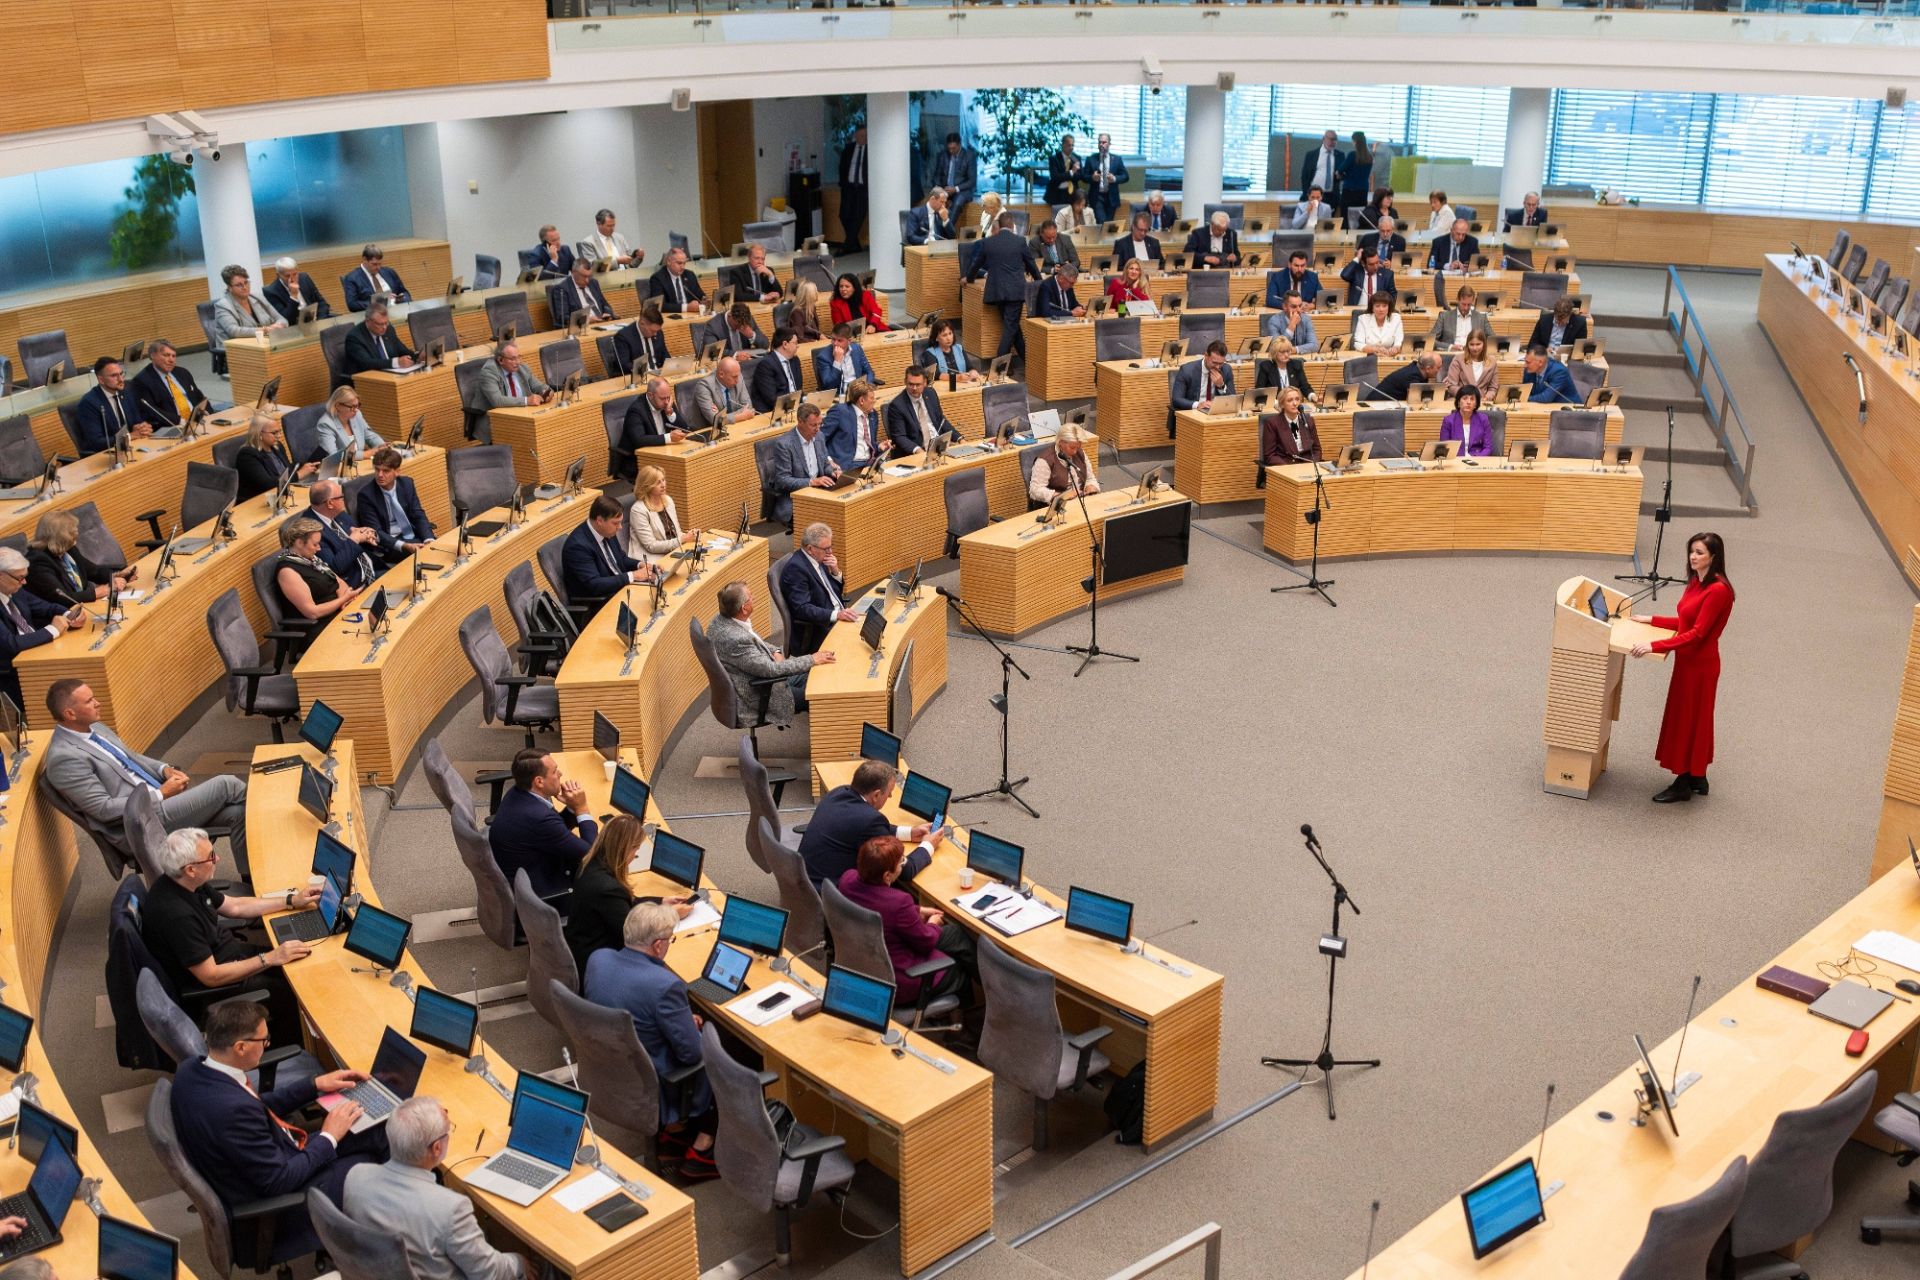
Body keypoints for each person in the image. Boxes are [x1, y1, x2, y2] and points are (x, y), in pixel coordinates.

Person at [169, 1000, 382, 1265]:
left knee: (376, 1128)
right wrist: (329, 1136)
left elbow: (256, 1107)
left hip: (275, 1155)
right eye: (264, 1040)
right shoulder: (231, 1112)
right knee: (375, 1170)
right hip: (283, 1203)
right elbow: (278, 1180)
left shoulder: (193, 1069)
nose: (267, 1043)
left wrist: (315, 1085)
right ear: (241, 1047)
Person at [44, 678, 251, 869]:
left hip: (158, 803)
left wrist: (165, 769)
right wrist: (161, 793)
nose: (98, 703)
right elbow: (103, 809)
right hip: (141, 821)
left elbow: (132, 758)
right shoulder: (64, 758)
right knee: (227, 784)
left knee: (238, 814)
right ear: (70, 714)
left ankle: (250, 878)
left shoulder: (95, 727)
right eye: (89, 701)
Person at [583, 903, 720, 1179]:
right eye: (670, 940)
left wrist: (679, 1019)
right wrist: (694, 1029)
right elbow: (692, 1055)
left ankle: (675, 1133)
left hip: (612, 1066)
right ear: (658, 946)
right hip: (656, 1078)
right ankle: (702, 1148)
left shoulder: (598, 959)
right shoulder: (664, 984)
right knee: (723, 1050)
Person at [142, 828, 316, 1039]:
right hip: (222, 984)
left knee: (300, 966)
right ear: (190, 869)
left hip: (231, 954)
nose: (218, 858)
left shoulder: (188, 883)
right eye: (211, 857)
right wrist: (270, 958)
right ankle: (291, 1050)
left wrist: (290, 901)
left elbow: (234, 907)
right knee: (294, 992)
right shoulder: (177, 916)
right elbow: (211, 976)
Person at [344, 1096, 532, 1280]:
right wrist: (518, 1261)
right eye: (448, 1132)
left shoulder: (356, 1176)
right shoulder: (450, 1209)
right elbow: (489, 1274)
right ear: (436, 1148)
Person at [1628, 532, 1735, 803]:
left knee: (1690, 721)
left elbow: (1698, 633)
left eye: (1699, 552)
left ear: (1714, 556)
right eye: (1692, 551)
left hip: (1700, 667)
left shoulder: (1718, 590)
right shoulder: (1696, 581)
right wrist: (1652, 619)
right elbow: (1685, 620)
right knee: (1689, 718)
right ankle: (1698, 776)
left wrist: (1655, 645)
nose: (1693, 556)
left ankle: (1684, 783)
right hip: (1686, 662)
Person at [839, 836, 974, 1006]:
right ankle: (969, 1018)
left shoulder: (847, 879)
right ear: (887, 875)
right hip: (902, 979)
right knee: (957, 963)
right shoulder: (899, 902)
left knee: (954, 934)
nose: (903, 865)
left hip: (863, 963)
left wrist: (916, 910)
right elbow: (925, 942)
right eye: (901, 862)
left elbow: (878, 905)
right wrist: (933, 923)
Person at [564, 816, 695, 976]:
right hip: (598, 967)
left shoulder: (591, 864)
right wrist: (672, 914)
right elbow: (636, 935)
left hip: (583, 948)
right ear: (625, 849)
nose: (635, 856)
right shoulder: (607, 888)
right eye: (636, 849)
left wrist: (661, 901)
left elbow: (624, 903)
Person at [708, 581, 832, 728]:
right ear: (744, 608)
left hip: (759, 674)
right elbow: (771, 670)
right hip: (759, 694)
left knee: (815, 675)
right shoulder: (735, 639)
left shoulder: (721, 620)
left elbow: (756, 642)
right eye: (750, 597)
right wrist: (812, 658)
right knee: (820, 696)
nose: (753, 597)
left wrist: (776, 651)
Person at [798, 760, 939, 888]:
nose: (889, 797)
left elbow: (865, 828)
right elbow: (905, 871)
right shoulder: (870, 821)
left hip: (804, 881)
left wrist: (909, 833)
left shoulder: (838, 793)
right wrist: (928, 846)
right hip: (829, 895)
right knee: (902, 891)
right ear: (876, 795)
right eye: (889, 794)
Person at [490, 748, 597, 902]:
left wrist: (572, 808)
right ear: (539, 781)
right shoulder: (538, 817)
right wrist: (582, 809)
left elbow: (554, 831)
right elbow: (592, 855)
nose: (560, 774)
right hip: (549, 896)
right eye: (554, 772)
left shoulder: (517, 793)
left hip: (532, 870)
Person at [0, 548, 79, 712]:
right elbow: (10, 644)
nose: (24, 583)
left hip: (36, 653)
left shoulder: (16, 591)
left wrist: (70, 614)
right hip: (11, 674)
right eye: (20, 578)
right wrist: (53, 630)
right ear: (1, 577)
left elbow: (47, 608)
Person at [272, 517, 360, 653]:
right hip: (315, 630)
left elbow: (339, 582)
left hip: (336, 616)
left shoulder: (311, 559)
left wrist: (344, 600)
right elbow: (312, 612)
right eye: (315, 544)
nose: (319, 549)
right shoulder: (287, 572)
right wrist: (343, 599)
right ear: (300, 543)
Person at [562, 494, 659, 614]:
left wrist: (641, 565)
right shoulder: (578, 547)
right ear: (600, 521)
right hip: (598, 606)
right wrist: (634, 576)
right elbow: (594, 585)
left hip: (620, 591)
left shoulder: (606, 531)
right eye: (616, 523)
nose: (620, 528)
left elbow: (621, 558)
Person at [965, 213, 1040, 363]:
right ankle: (999, 365)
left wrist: (969, 278)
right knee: (1010, 327)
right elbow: (1031, 264)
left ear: (999, 225)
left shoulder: (988, 242)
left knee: (1012, 326)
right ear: (1012, 225)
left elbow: (976, 264)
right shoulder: (1019, 241)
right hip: (1015, 291)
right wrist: (1040, 281)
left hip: (996, 291)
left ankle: (1027, 361)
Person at [780, 522, 859, 657]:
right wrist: (836, 615)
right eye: (826, 548)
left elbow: (833, 593)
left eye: (830, 547)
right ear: (810, 548)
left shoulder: (818, 558)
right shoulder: (796, 569)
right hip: (820, 628)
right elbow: (803, 609)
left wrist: (835, 572)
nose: (830, 552)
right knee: (859, 646)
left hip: (837, 614)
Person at [26, 510, 129, 605]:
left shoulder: (68, 550)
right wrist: (97, 592)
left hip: (83, 607)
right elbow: (62, 597)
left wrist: (116, 576)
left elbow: (94, 571)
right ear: (60, 537)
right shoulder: (38, 561)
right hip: (61, 616)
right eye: (71, 532)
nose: (77, 533)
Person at [766, 403, 839, 529]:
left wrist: (833, 471)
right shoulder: (784, 444)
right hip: (796, 496)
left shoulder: (819, 436)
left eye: (820, 424)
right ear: (800, 422)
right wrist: (812, 482)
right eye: (813, 425)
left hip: (819, 491)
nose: (818, 429)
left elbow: (824, 463)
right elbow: (782, 480)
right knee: (828, 514)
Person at [356, 447, 435, 563]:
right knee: (427, 556)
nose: (380, 475)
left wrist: (428, 538)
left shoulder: (407, 484)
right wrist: (404, 545)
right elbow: (376, 532)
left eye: (386, 471)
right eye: (377, 470)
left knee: (436, 547)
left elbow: (418, 514)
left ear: (397, 471)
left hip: (413, 535)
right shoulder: (366, 495)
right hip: (389, 543)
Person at [303, 479, 381, 589]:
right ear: (330, 503)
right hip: (356, 586)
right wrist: (354, 540)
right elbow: (334, 568)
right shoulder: (311, 531)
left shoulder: (338, 513)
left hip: (375, 570)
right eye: (341, 497)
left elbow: (358, 536)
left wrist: (367, 535)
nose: (344, 499)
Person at [73, 358, 152, 455]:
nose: (121, 379)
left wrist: (142, 427)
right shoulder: (89, 403)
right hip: (107, 455)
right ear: (101, 380)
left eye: (121, 374)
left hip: (132, 448)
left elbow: (136, 421)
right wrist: (129, 436)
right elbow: (96, 442)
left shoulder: (126, 393)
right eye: (114, 376)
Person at [627, 465, 698, 570]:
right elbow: (651, 546)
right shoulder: (638, 510)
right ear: (647, 485)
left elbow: (675, 533)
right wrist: (682, 539)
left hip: (672, 551)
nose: (663, 485)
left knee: (699, 559)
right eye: (658, 482)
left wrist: (690, 535)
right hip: (651, 558)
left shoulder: (667, 501)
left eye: (663, 480)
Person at [130, 339, 211, 430]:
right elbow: (151, 411)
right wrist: (181, 421)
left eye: (174, 356)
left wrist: (210, 414)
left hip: (198, 421)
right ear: (153, 356)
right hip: (173, 427)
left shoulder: (182, 372)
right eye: (166, 355)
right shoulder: (142, 381)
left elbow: (198, 395)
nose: (171, 360)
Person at [235, 414, 316, 500]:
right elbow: (268, 485)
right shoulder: (247, 456)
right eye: (274, 433)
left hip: (283, 493)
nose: (279, 436)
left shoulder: (277, 446)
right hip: (261, 501)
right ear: (259, 433)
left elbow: (287, 470)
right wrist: (299, 474)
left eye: (279, 431)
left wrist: (307, 467)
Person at [619, 377, 690, 471]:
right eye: (662, 398)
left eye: (668, 397)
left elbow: (684, 429)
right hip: (641, 459)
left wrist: (670, 413)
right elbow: (639, 440)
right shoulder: (636, 410)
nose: (666, 402)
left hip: (664, 452)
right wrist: (669, 437)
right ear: (650, 395)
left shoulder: (667, 403)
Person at [884, 366, 954, 456]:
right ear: (905, 382)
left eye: (918, 384)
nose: (914, 388)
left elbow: (941, 420)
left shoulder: (930, 393)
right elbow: (899, 437)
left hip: (939, 445)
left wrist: (960, 438)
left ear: (925, 383)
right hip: (917, 450)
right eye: (911, 384)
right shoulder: (897, 405)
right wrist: (918, 450)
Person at [212, 265, 288, 342]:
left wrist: (278, 325)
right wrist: (265, 330)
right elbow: (234, 331)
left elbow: (281, 319)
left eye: (246, 282)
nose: (244, 287)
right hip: (235, 349)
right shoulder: (223, 306)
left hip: (263, 343)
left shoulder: (258, 298)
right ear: (229, 287)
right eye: (239, 285)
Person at [341, 301, 417, 379]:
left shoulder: (389, 330)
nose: (384, 327)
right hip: (364, 381)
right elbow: (367, 363)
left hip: (389, 376)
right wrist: (396, 362)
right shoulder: (355, 337)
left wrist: (418, 356)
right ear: (367, 321)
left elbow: (403, 350)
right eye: (380, 324)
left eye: (386, 323)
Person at [1028, 423, 1099, 504]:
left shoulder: (1080, 453)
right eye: (1072, 447)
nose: (1075, 451)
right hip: (1056, 506)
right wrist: (1061, 496)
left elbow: (1090, 478)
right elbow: (1035, 490)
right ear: (1061, 443)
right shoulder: (1045, 460)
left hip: (1081, 501)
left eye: (1078, 447)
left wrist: (1091, 486)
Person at [821, 380, 884, 471]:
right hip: (848, 465)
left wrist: (878, 446)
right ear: (862, 400)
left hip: (870, 462)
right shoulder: (840, 412)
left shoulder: (873, 415)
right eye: (872, 398)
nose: (875, 401)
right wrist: (828, 460)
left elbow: (868, 442)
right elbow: (819, 439)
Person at [314, 385, 387, 456]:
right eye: (352, 407)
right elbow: (333, 456)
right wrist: (365, 454)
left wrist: (382, 447)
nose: (356, 410)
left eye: (357, 405)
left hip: (359, 463)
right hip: (340, 466)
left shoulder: (356, 415)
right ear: (338, 406)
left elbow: (371, 436)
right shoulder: (326, 424)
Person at [1261, 387, 1321, 466]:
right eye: (1290, 400)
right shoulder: (1272, 423)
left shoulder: (1308, 420)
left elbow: (1317, 449)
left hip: (1309, 464)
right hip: (1286, 465)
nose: (1295, 403)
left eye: (1297, 399)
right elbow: (1270, 455)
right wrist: (1288, 468)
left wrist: (1312, 464)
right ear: (1282, 404)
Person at [1170, 342, 1235, 416]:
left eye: (1221, 363)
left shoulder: (1226, 370)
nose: (1217, 367)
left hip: (1215, 414)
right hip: (1193, 414)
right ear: (1206, 355)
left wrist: (1221, 386)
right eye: (1214, 363)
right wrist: (1198, 405)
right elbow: (1177, 399)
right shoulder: (1187, 370)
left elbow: (1232, 400)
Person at [263, 257, 334, 324]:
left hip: (316, 321)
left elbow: (322, 303)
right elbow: (285, 320)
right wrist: (294, 296)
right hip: (294, 328)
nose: (292, 279)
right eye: (287, 276)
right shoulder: (271, 292)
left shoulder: (304, 278)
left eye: (295, 274)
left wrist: (320, 321)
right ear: (278, 275)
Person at [690, 356, 756, 428]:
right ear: (721, 374)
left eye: (738, 375)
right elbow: (715, 420)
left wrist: (723, 418)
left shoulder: (737, 377)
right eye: (734, 377)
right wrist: (741, 416)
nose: (737, 380)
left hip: (733, 426)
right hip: (706, 432)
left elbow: (749, 407)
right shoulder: (704, 386)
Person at [342, 244, 411, 312]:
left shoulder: (389, 272)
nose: (378, 267)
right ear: (364, 259)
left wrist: (401, 299)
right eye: (374, 264)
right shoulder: (352, 278)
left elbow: (405, 292)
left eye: (380, 264)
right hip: (373, 316)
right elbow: (352, 305)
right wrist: (380, 301)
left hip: (396, 310)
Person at [751, 327, 806, 411]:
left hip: (794, 408)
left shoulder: (795, 361)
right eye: (795, 342)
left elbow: (798, 389)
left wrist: (806, 400)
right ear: (785, 344)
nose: (797, 346)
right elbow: (772, 399)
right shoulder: (766, 365)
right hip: (774, 412)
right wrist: (795, 405)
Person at [812, 324, 878, 393]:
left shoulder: (856, 349)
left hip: (859, 392)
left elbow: (869, 372)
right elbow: (829, 385)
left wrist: (867, 387)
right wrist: (837, 362)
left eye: (839, 340)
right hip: (840, 396)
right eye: (833, 339)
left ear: (849, 341)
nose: (835, 343)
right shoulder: (823, 357)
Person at [612, 306, 671, 377]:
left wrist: (672, 366)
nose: (655, 334)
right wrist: (648, 371)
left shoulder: (658, 332)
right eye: (652, 331)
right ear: (642, 324)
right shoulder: (623, 337)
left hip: (658, 374)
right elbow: (624, 365)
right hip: (638, 376)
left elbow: (665, 355)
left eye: (657, 331)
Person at [926, 132, 978, 214]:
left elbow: (972, 181)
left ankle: (947, 226)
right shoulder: (943, 155)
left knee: (957, 202)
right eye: (949, 148)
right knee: (934, 201)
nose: (951, 151)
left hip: (962, 190)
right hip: (945, 189)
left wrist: (955, 189)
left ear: (959, 144)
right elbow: (937, 175)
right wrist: (940, 190)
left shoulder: (969, 156)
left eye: (953, 148)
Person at [837, 126, 869, 255]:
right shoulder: (848, 149)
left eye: (866, 136)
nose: (864, 138)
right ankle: (854, 244)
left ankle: (846, 246)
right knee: (843, 215)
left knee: (858, 217)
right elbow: (842, 167)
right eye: (861, 136)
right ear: (855, 136)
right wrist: (843, 184)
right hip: (849, 188)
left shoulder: (871, 150)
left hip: (863, 189)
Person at [555, 257, 616, 324]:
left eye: (589, 276)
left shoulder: (593, 283)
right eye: (584, 276)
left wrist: (607, 314)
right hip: (583, 328)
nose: (587, 280)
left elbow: (605, 305)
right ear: (573, 273)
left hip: (603, 323)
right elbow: (563, 318)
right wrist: (586, 320)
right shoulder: (562, 288)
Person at [1439, 386, 1496, 457]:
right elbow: (1444, 447)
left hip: (1477, 459)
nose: (1468, 402)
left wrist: (1477, 458)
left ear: (1476, 404)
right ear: (1458, 402)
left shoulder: (1483, 419)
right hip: (1455, 460)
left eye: (1472, 399)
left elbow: (1488, 448)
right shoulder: (1448, 421)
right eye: (1465, 398)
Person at [649, 246, 707, 314]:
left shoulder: (689, 275)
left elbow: (700, 296)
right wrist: (687, 307)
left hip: (691, 315)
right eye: (679, 263)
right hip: (672, 317)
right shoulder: (657, 278)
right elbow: (660, 305)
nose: (683, 267)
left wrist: (705, 301)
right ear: (668, 261)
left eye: (684, 263)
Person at [1444, 329, 1500, 400]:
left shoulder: (1492, 361)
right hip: (1461, 400)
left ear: (1484, 344)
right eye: (1471, 344)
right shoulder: (1458, 359)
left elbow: (1493, 388)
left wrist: (1487, 397)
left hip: (1482, 401)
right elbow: (1451, 386)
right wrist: (1466, 396)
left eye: (1478, 344)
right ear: (1467, 344)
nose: (1475, 348)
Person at [1086, 133, 1128, 224]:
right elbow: (1084, 176)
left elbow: (1125, 176)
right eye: (1099, 142)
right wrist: (1092, 178)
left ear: (1109, 144)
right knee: (1101, 222)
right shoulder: (1091, 159)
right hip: (1097, 197)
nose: (1101, 144)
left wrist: (1114, 179)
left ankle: (1106, 238)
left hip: (1111, 197)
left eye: (1104, 142)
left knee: (1109, 224)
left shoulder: (1117, 159)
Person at [1431, 285, 1491, 349]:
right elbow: (1431, 340)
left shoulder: (1481, 318)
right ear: (1457, 300)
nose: (1466, 308)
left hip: (1474, 354)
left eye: (1469, 304)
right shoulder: (1444, 317)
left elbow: (1493, 340)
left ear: (1473, 302)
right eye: (1463, 304)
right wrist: (1450, 347)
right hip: (1451, 355)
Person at [925, 318, 983, 383]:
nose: (948, 338)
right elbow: (936, 375)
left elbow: (969, 367)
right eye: (944, 335)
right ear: (936, 338)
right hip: (944, 387)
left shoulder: (959, 348)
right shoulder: (930, 353)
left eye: (950, 333)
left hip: (963, 384)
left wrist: (973, 372)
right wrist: (957, 378)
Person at [1352, 292, 1404, 357]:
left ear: (1389, 307)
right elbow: (1358, 344)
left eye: (1384, 306)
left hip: (1389, 357)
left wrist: (1395, 349)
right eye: (1377, 306)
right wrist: (1375, 349)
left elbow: (1399, 343)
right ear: (1372, 308)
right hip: (1368, 357)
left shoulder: (1396, 318)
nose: (1381, 309)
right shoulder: (1363, 319)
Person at [1374, 352, 1440, 401]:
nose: (1439, 370)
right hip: (1377, 406)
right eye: (1438, 367)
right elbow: (1418, 402)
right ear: (1428, 369)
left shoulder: (1417, 369)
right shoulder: (1411, 377)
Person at [1300, 130, 1343, 203]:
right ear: (1323, 139)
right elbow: (1305, 176)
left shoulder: (1340, 155)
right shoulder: (1311, 155)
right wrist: (1306, 194)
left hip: (1332, 196)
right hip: (1314, 195)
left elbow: (1342, 174)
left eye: (1334, 139)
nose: (1332, 142)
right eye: (1330, 139)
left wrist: (1341, 176)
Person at [1342, 137, 1378, 219]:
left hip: (1349, 191)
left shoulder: (1352, 155)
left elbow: (1341, 169)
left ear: (1355, 142)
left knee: (1346, 218)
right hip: (1363, 191)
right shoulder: (1370, 157)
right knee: (1360, 218)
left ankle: (1346, 232)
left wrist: (1342, 174)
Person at [1044, 133, 1081, 207]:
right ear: (1063, 145)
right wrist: (1071, 172)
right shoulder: (1054, 159)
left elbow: (1080, 176)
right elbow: (1055, 176)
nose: (1071, 147)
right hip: (1057, 193)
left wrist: (1065, 175)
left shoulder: (1076, 158)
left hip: (1072, 193)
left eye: (1072, 145)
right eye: (1069, 145)